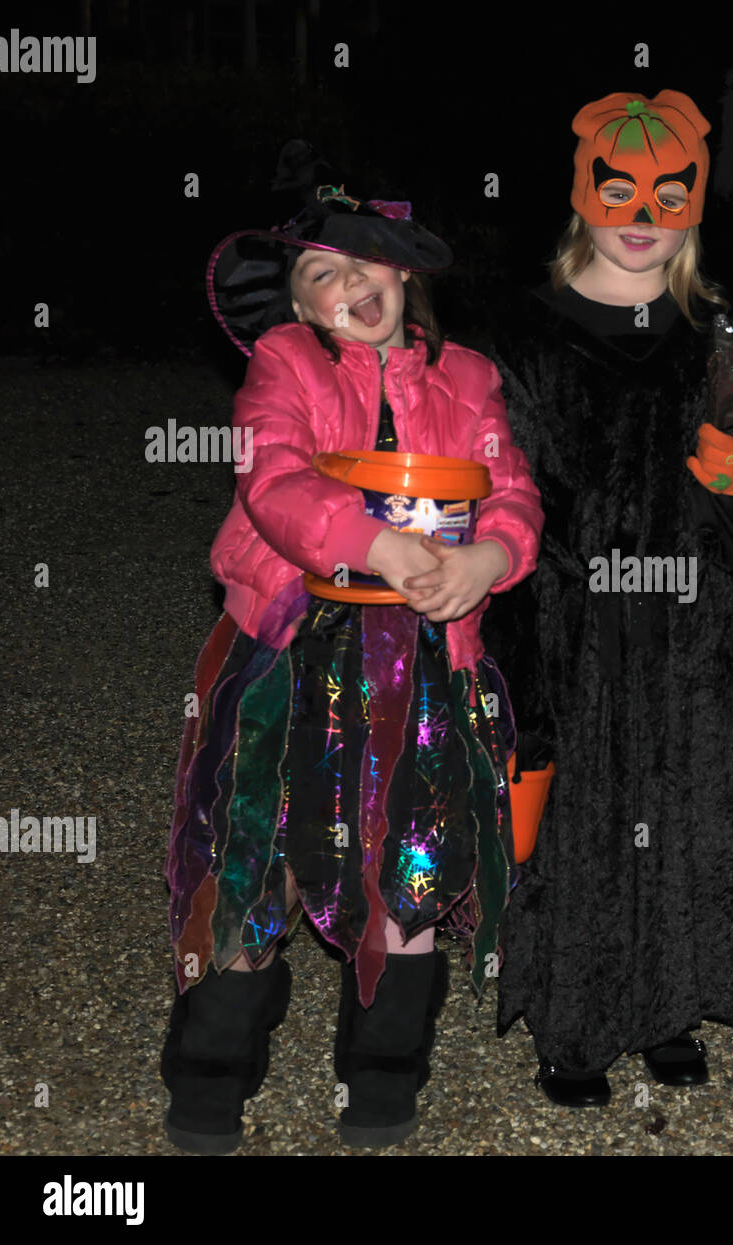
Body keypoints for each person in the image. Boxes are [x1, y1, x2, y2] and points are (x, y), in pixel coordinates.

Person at [161, 156, 542, 1153]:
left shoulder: (468, 376)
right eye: (319, 275)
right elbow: (273, 477)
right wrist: (372, 542)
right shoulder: (284, 369)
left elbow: (510, 490)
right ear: (296, 306)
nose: (348, 284)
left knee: (409, 870)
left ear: (404, 273)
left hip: (420, 661)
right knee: (254, 864)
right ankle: (211, 1074)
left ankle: (383, 1074)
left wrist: (491, 557)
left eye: (363, 261)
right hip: (291, 645)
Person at [482, 91, 733, 1106]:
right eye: (618, 190)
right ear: (583, 198)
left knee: (679, 802)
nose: (640, 213)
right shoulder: (527, 337)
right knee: (586, 815)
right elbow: (506, 497)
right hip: (576, 624)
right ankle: (576, 1020)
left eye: (666, 193)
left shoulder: (710, 331)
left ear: (692, 206)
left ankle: (667, 1010)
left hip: (685, 620)